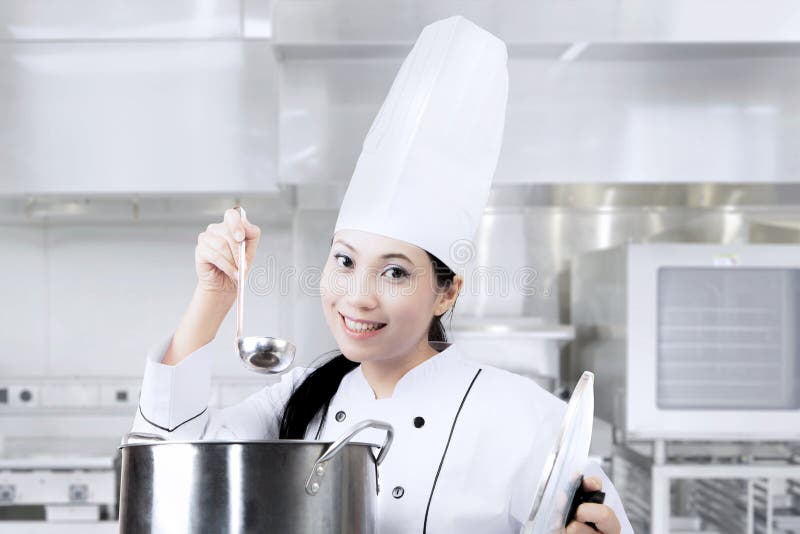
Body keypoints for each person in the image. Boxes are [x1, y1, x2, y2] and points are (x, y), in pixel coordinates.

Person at [129, 15, 633, 534]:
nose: (358, 297)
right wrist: (214, 297)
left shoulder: (529, 422)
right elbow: (167, 468)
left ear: (446, 292)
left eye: (394, 273)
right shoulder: (296, 403)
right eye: (345, 261)